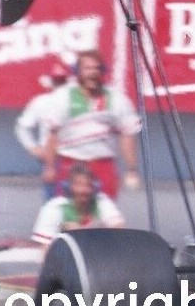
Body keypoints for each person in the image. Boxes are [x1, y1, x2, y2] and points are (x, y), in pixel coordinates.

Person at [39, 49, 142, 200]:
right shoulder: (63, 97)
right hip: (70, 163)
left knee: (105, 213)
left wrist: (131, 169)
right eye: (87, 69)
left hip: (103, 165)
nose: (93, 73)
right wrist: (49, 167)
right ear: (77, 72)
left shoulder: (117, 99)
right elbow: (53, 135)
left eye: (97, 69)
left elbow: (127, 136)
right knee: (68, 215)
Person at [15, 55, 73, 198]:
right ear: (51, 82)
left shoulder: (78, 103)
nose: (60, 84)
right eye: (57, 81)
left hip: (76, 154)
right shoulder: (41, 102)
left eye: (62, 81)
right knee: (53, 199)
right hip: (52, 157)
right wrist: (33, 147)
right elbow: (22, 126)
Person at [31, 161, 125, 248]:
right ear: (68, 187)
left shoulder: (101, 202)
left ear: (94, 187)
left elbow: (120, 232)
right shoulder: (55, 208)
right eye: (78, 185)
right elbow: (46, 250)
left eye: (88, 185)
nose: (83, 190)